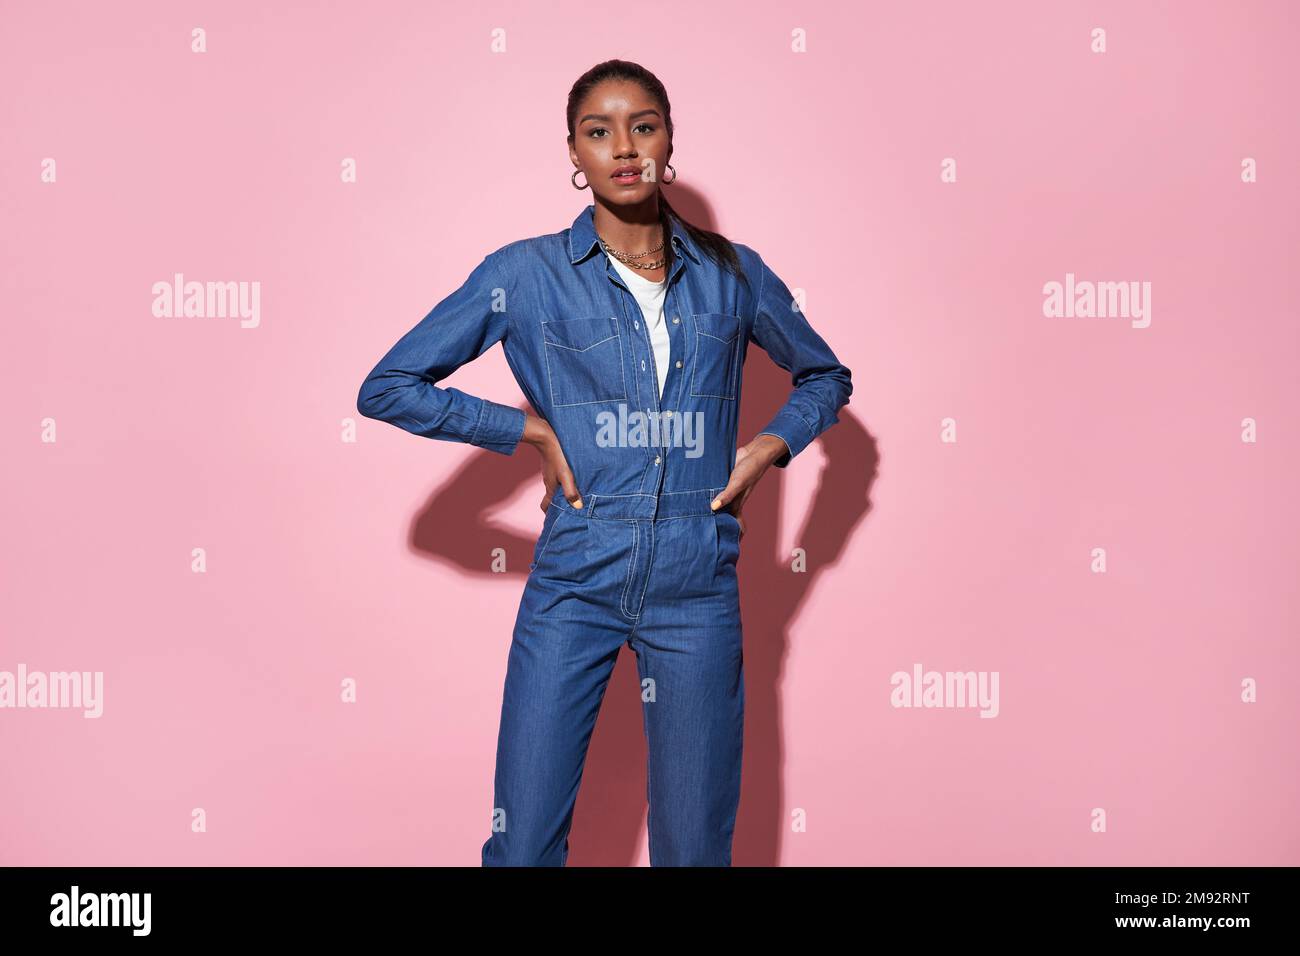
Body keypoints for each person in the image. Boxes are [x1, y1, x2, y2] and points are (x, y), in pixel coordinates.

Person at [356, 59, 853, 866]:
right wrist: (529, 432)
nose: (624, 147)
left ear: (669, 142)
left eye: (643, 126)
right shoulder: (524, 274)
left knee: (694, 849)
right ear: (574, 154)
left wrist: (769, 447)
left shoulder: (735, 275)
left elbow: (826, 376)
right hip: (576, 573)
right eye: (599, 132)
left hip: (697, 582)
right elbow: (388, 387)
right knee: (523, 847)